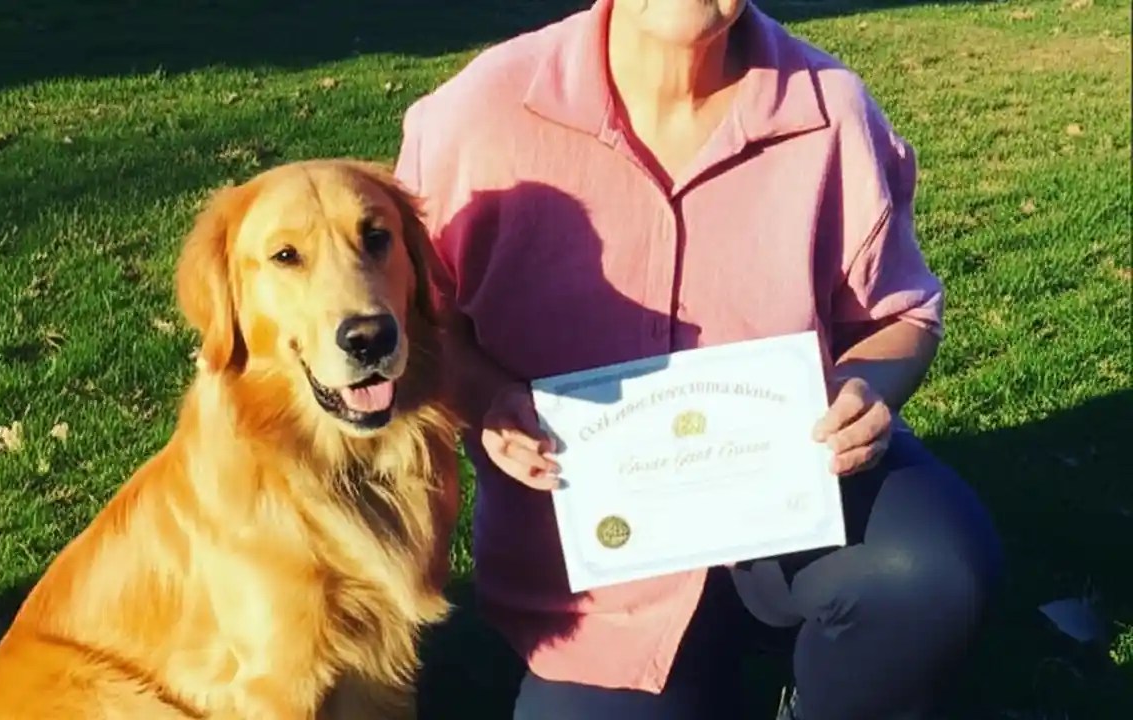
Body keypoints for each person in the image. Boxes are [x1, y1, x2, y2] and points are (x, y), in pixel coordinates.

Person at [394, 1, 1004, 717]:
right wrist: (490, 398)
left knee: (931, 572)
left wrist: (865, 385)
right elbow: (421, 330)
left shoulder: (829, 107)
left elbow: (898, 314)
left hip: (798, 500)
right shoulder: (479, 115)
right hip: (598, 574)